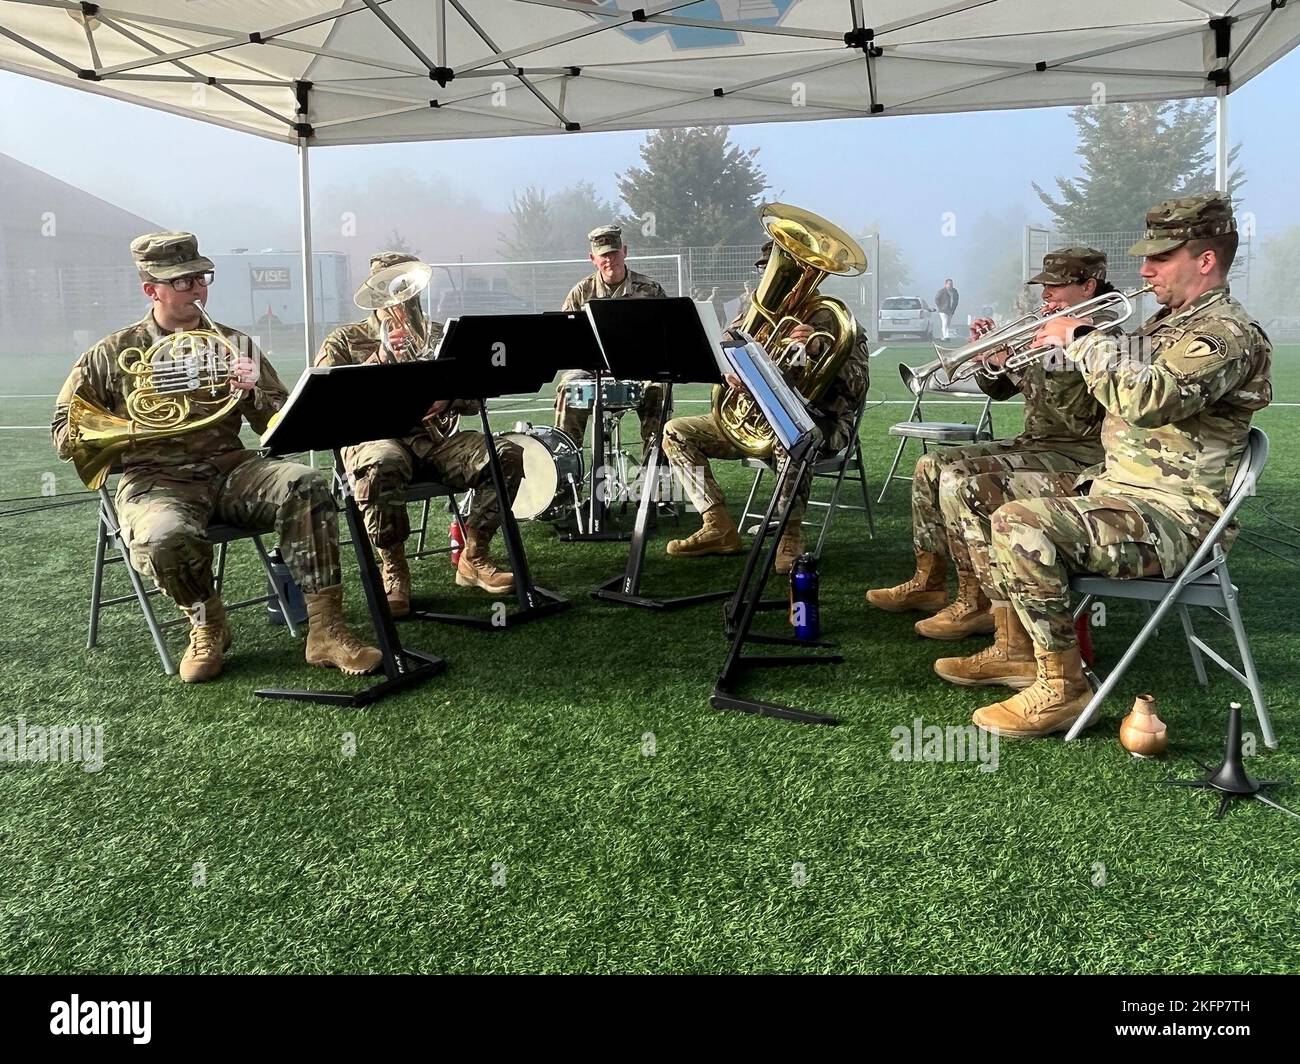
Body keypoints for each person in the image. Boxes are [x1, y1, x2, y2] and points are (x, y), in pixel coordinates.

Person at [950, 193, 1271, 738]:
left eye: (1161, 258)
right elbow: (1106, 390)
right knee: (977, 488)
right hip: (1117, 488)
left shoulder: (1226, 334)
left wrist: (1080, 337)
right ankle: (1014, 648)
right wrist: (1025, 355)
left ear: (1206, 260)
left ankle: (1064, 686)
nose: (1145, 270)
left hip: (1178, 517)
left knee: (1019, 522)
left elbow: (1149, 399)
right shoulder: (1164, 325)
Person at [52, 231, 382, 683]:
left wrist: (255, 390)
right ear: (152, 289)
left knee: (306, 483)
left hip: (231, 468)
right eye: (183, 282)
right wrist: (129, 427)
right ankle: (207, 624)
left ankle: (325, 629)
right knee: (161, 537)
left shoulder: (233, 344)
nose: (197, 290)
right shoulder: (110, 354)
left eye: (201, 278)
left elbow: (280, 423)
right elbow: (66, 432)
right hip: (156, 478)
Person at [867, 248, 1113, 645]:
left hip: (1077, 455)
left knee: (958, 480)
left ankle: (980, 602)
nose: (1046, 296)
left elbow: (1084, 419)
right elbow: (1000, 390)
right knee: (931, 464)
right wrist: (994, 357)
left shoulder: (1106, 338)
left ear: (1089, 285)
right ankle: (928, 581)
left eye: (1056, 287)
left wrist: (1063, 349)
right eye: (1044, 287)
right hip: (1035, 443)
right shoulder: (1051, 325)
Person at [315, 252, 523, 616]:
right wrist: (380, 356)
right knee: (383, 463)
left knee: (505, 454)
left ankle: (474, 556)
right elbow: (328, 402)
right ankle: (393, 568)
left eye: (406, 286)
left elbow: (476, 398)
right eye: (390, 288)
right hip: (376, 439)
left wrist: (449, 396)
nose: (400, 298)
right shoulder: (346, 339)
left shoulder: (440, 334)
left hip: (435, 440)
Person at [661, 241, 871, 575]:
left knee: (790, 439)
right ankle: (717, 523)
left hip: (820, 423)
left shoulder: (837, 320)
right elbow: (727, 356)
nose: (774, 278)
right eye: (768, 269)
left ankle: (790, 534)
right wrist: (729, 369)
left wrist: (816, 349)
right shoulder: (750, 316)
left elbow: (857, 388)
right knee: (676, 432)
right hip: (753, 418)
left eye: (795, 271)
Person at [554, 225, 668, 462]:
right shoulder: (581, 292)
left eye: (614, 253)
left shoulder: (650, 289)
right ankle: (566, 474)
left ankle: (653, 480)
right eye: (603, 255)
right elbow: (564, 340)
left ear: (624, 251)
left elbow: (667, 335)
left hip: (640, 369)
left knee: (660, 388)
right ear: (592, 258)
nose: (610, 260)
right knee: (568, 386)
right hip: (591, 369)